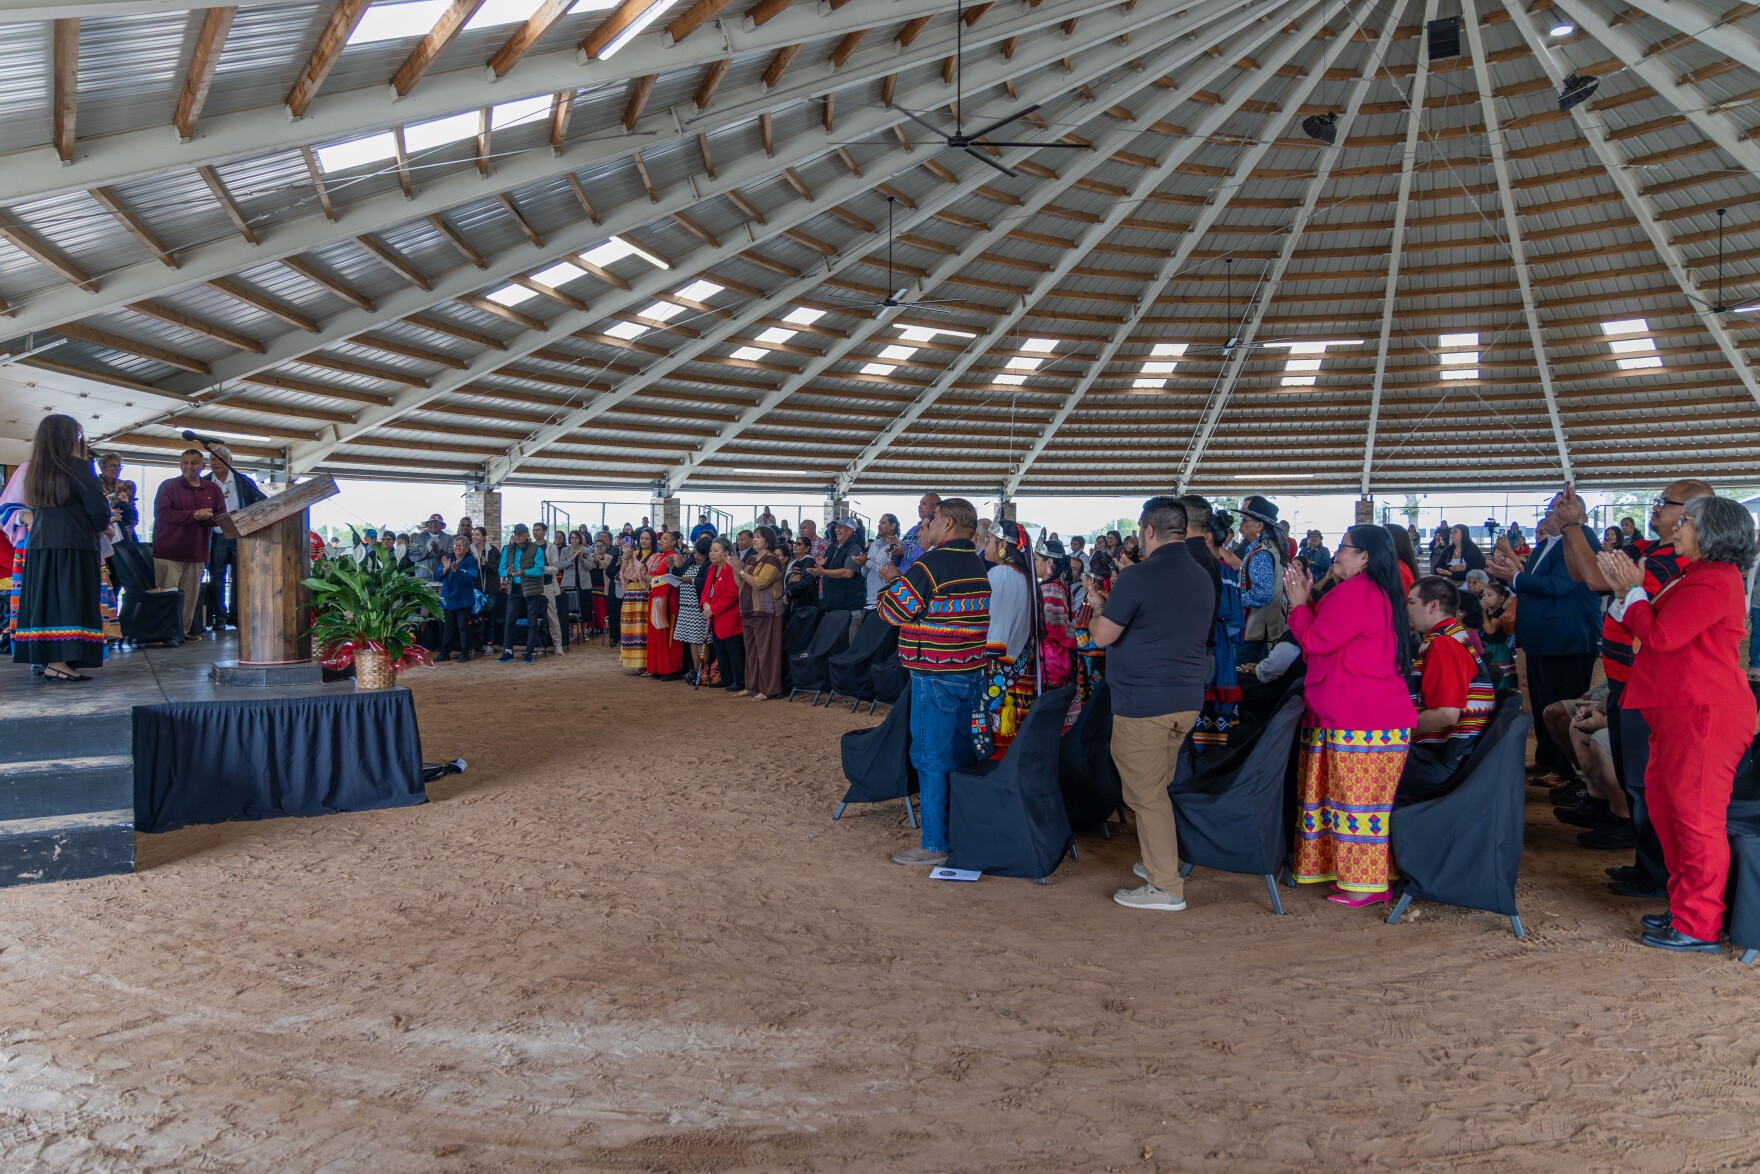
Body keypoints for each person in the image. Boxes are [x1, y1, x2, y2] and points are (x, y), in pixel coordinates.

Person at [1597, 495, 1759, 953]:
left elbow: (1661, 636)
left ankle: (1699, 923)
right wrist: (1627, 592)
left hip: (1704, 714)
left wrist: (1632, 592)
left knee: (1695, 818)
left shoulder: (1715, 579)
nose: (1677, 527)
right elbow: (1648, 625)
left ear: (1712, 533)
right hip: (1680, 712)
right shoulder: (1698, 576)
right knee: (1669, 814)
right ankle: (1685, 906)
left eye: (1686, 520)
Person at [1550, 480, 1712, 892]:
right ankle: (1646, 863)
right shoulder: (1652, 549)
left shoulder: (1675, 562)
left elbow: (1598, 579)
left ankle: (1656, 873)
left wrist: (1575, 527)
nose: (1655, 508)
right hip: (1625, 682)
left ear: (1693, 513)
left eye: (1666, 503)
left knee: (1645, 781)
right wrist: (1572, 531)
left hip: (1648, 686)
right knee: (1636, 777)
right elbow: (1587, 575)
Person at [1080, 497, 1215, 910]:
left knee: (1145, 793)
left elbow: (1103, 636)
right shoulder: (1200, 573)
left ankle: (1165, 886)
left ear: (1149, 531)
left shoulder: (1139, 576)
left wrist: (1095, 612)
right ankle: (1158, 862)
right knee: (1155, 787)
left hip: (1145, 701)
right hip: (1185, 699)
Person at [1284, 525, 1416, 907]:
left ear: (1365, 558)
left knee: (1359, 806)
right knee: (1347, 803)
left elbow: (1315, 640)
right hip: (1357, 714)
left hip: (1363, 718)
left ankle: (1368, 884)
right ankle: (1354, 877)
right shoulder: (1364, 591)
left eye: (1344, 548)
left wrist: (1297, 604)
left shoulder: (1359, 593)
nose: (1337, 553)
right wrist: (1307, 601)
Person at [877, 497, 991, 867]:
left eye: (931, 519)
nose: (925, 524)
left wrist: (891, 583)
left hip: (936, 673)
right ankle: (960, 830)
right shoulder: (975, 563)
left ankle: (934, 843)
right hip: (970, 672)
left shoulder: (930, 564)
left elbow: (891, 612)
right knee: (959, 752)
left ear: (948, 524)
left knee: (929, 757)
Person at [1487, 490, 1603, 781]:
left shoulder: (1581, 539)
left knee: (1561, 702)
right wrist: (1513, 576)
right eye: (1551, 509)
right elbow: (1534, 585)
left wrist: (1514, 578)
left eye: (1557, 508)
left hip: (1565, 638)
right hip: (1542, 636)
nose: (1550, 514)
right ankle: (1548, 758)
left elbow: (1557, 586)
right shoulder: (1546, 545)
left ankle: (1567, 768)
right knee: (1541, 701)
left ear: (1576, 513)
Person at [11, 415, 112, 681]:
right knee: (71, 602)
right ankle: (60, 662)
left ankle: (52, 661)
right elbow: (98, 508)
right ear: (67, 437)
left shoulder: (33, 469)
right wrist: (103, 524)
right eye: (76, 435)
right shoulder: (78, 467)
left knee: (49, 603)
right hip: (75, 545)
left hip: (40, 546)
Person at [1398, 576, 1497, 799]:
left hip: (1440, 761)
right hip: (1446, 753)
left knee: (1359, 755)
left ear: (1433, 605)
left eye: (1412, 602)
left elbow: (1446, 714)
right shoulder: (1451, 634)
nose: (1407, 608)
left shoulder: (1443, 643)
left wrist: (1394, 731)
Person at [152, 448, 227, 640]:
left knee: (190, 597)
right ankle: (165, 634)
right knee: (168, 596)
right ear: (180, 464)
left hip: (197, 552)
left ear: (203, 466)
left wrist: (210, 518)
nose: (189, 466)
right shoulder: (168, 486)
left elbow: (220, 516)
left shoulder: (213, 489)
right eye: (185, 462)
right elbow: (162, 514)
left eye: (194, 463)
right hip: (168, 551)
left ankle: (182, 633)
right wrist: (193, 515)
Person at [980, 520, 1036, 757]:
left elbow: (996, 623)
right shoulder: (1023, 574)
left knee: (994, 727)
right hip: (1018, 662)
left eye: (989, 541)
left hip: (999, 662)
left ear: (1003, 545)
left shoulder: (1001, 573)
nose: (985, 547)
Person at [1194, 506, 1244, 757]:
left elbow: (1222, 610)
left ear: (1206, 537)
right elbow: (1236, 617)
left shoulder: (1208, 569)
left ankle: (1203, 757)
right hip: (1223, 642)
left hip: (1211, 641)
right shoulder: (1225, 569)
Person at [202, 444, 265, 631]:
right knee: (216, 577)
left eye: (220, 458)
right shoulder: (205, 482)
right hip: (216, 536)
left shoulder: (242, 480)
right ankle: (219, 616)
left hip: (240, 536)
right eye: (213, 459)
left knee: (241, 577)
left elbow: (260, 501)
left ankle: (237, 615)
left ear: (229, 461)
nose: (216, 463)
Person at [732, 525, 785, 698]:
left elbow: (760, 583)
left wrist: (740, 569)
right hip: (749, 608)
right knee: (751, 651)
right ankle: (751, 686)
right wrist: (734, 568)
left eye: (758, 537)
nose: (754, 539)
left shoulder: (772, 559)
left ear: (767, 540)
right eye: (754, 536)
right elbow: (741, 583)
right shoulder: (752, 559)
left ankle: (768, 689)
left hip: (766, 610)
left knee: (766, 650)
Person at [1236, 495, 1287, 662]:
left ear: (1259, 525)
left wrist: (1235, 599)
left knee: (1245, 681)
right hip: (1261, 631)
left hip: (1253, 632)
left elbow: (1262, 594)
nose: (1241, 524)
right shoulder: (1267, 548)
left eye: (1245, 520)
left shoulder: (1261, 553)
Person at [809, 516, 866, 642]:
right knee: (834, 644)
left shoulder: (854, 547)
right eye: (836, 526)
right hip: (833, 606)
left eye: (841, 526)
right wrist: (821, 564)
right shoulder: (833, 547)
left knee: (849, 645)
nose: (837, 529)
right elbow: (827, 569)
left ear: (850, 530)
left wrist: (824, 571)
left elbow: (848, 572)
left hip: (850, 608)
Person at [497, 523, 548, 663]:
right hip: (514, 588)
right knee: (509, 619)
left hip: (531, 589)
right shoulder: (508, 549)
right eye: (515, 534)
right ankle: (507, 651)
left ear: (527, 535)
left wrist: (524, 572)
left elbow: (540, 570)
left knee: (532, 620)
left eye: (520, 534)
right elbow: (500, 569)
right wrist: (506, 572)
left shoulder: (536, 549)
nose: (517, 537)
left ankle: (529, 652)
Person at [703, 537, 744, 692]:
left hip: (729, 615)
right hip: (715, 614)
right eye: (711, 550)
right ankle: (725, 678)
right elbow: (707, 590)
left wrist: (714, 608)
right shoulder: (712, 568)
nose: (711, 553)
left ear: (726, 553)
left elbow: (733, 593)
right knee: (720, 648)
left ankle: (738, 680)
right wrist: (706, 604)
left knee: (733, 650)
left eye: (716, 550)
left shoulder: (730, 568)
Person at [644, 529, 685, 680]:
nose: (661, 541)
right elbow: (649, 575)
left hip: (668, 598)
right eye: (661, 539)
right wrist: (651, 578)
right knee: (656, 632)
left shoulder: (675, 556)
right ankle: (658, 667)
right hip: (654, 597)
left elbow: (676, 571)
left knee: (668, 632)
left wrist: (670, 567)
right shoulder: (657, 556)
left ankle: (671, 668)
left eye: (665, 539)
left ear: (673, 542)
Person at [436, 535, 479, 662]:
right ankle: (444, 652)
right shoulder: (449, 558)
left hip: (462, 599)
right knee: (447, 628)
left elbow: (471, 577)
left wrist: (456, 570)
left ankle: (464, 652)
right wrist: (444, 569)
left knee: (463, 627)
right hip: (447, 599)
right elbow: (438, 577)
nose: (457, 548)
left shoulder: (470, 560)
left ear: (466, 548)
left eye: (460, 545)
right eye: (456, 545)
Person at [674, 537, 712, 682]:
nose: (696, 556)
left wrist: (691, 581)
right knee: (691, 640)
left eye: (699, 554)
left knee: (700, 641)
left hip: (697, 608)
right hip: (685, 607)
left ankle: (703, 671)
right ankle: (696, 670)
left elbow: (705, 583)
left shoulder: (709, 566)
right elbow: (680, 574)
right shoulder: (690, 564)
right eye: (694, 553)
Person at [618, 528, 655, 672]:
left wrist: (632, 559)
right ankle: (635, 662)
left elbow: (644, 573)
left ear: (652, 540)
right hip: (631, 594)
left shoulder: (655, 556)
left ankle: (646, 662)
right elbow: (625, 574)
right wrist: (627, 559)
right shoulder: (633, 554)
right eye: (641, 538)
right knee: (631, 626)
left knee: (643, 628)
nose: (643, 541)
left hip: (644, 594)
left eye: (647, 538)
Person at [861, 513, 902, 614]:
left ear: (893, 526)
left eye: (883, 523)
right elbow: (864, 574)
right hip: (870, 599)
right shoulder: (874, 544)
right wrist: (863, 565)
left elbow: (888, 573)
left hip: (886, 599)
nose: (879, 525)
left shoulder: (897, 546)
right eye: (879, 522)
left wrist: (867, 562)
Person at [898, 492, 941, 573]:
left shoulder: (937, 531)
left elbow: (929, 557)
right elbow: (900, 560)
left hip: (920, 580)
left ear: (935, 508)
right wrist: (894, 555)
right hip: (902, 580)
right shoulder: (912, 530)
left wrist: (904, 553)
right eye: (919, 504)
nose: (919, 506)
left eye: (924, 504)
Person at [406, 514, 448, 580]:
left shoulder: (448, 538)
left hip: (441, 578)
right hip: (422, 578)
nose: (433, 525)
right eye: (431, 522)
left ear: (442, 526)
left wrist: (438, 551)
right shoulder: (419, 538)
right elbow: (412, 557)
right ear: (427, 525)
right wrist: (427, 551)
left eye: (437, 523)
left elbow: (451, 557)